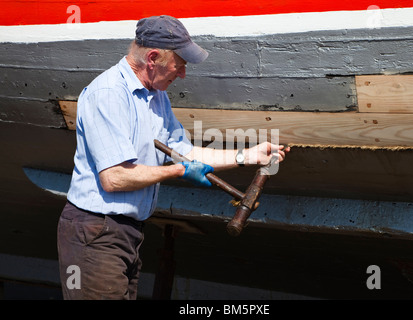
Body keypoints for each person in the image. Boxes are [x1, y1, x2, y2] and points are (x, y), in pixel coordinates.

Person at [57, 15, 289, 300]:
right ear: (152, 58)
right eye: (179, 66)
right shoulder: (108, 94)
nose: (182, 75)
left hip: (125, 233)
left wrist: (248, 155)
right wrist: (177, 171)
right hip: (94, 232)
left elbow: (186, 152)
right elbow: (114, 178)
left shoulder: (156, 96)